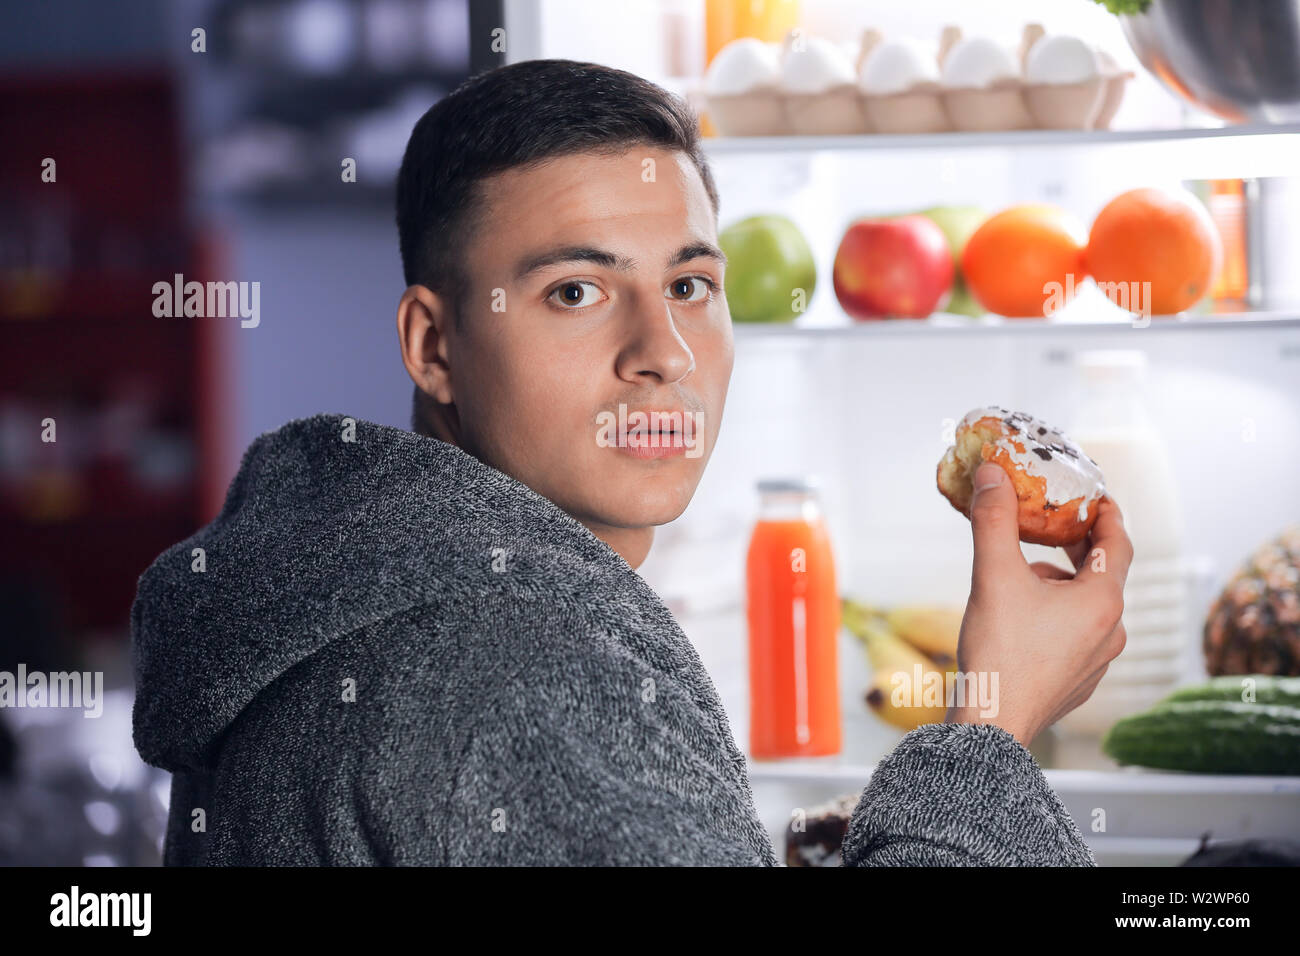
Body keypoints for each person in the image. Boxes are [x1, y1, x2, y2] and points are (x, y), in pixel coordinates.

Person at [130, 59, 1131, 866]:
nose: (667, 349)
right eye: (575, 290)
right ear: (433, 346)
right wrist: (991, 726)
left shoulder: (345, 584)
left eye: (692, 283)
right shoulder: (529, 652)